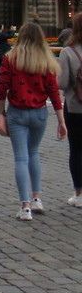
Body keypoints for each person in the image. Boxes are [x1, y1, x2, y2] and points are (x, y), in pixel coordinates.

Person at [0, 22, 67, 220]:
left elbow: (2, 88)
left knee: (20, 157)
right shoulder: (46, 60)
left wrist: (1, 112)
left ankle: (24, 206)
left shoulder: (10, 59)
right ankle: (37, 197)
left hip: (17, 113)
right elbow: (54, 93)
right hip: (39, 113)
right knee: (34, 153)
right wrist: (61, 121)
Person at [57, 13, 82, 208]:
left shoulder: (68, 52)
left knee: (77, 150)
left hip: (75, 107)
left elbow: (63, 83)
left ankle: (79, 194)